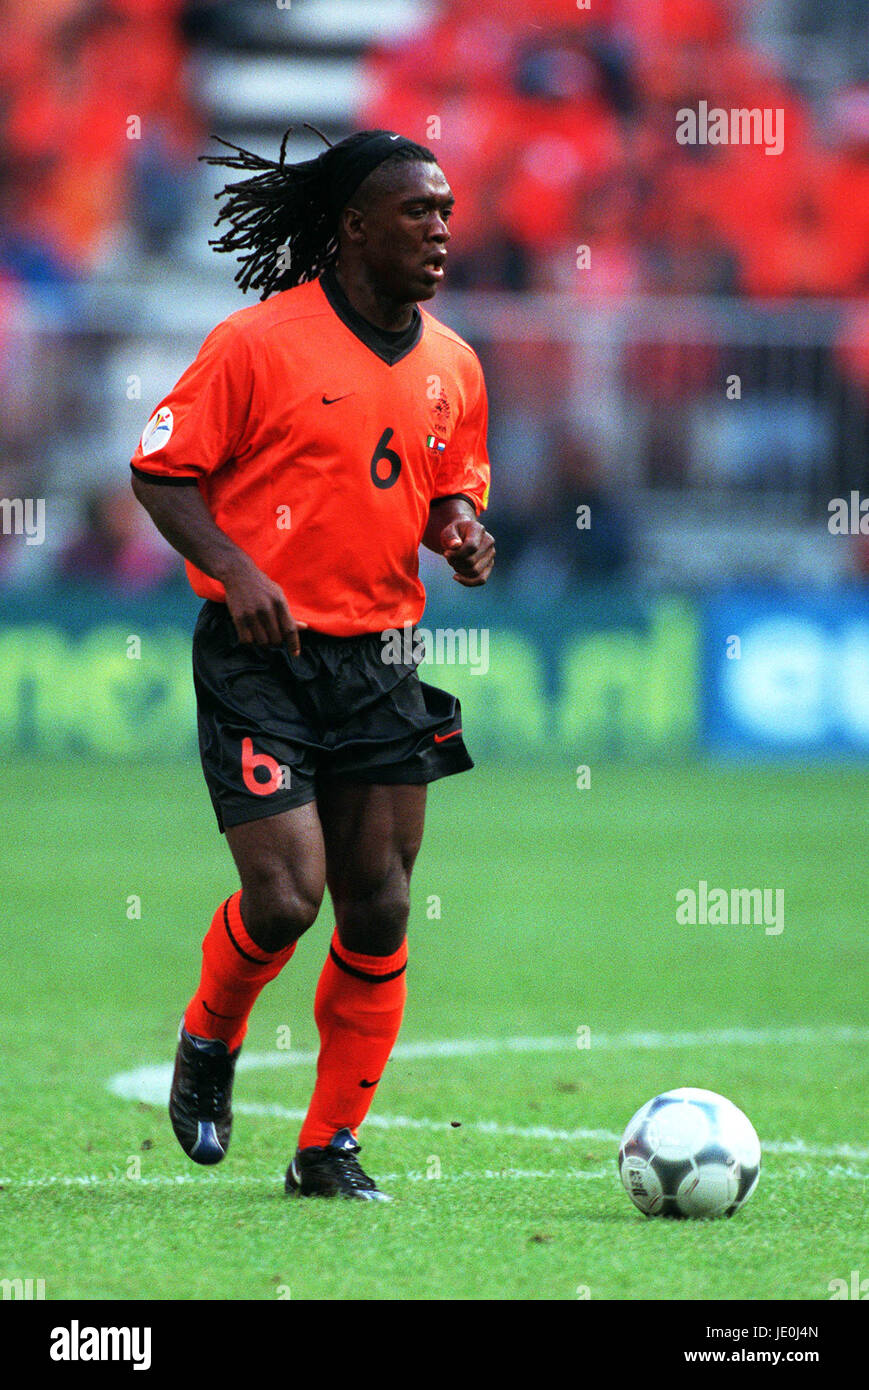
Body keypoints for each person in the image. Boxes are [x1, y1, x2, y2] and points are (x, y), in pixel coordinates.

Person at [130, 127, 494, 1201]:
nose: (439, 231)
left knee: (376, 906)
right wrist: (236, 570)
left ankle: (326, 1146)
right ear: (351, 225)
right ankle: (209, 1034)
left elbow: (444, 488)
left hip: (381, 656)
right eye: (416, 212)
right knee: (288, 897)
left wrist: (464, 532)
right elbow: (161, 472)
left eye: (446, 212)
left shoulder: (452, 366)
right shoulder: (257, 343)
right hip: (263, 655)